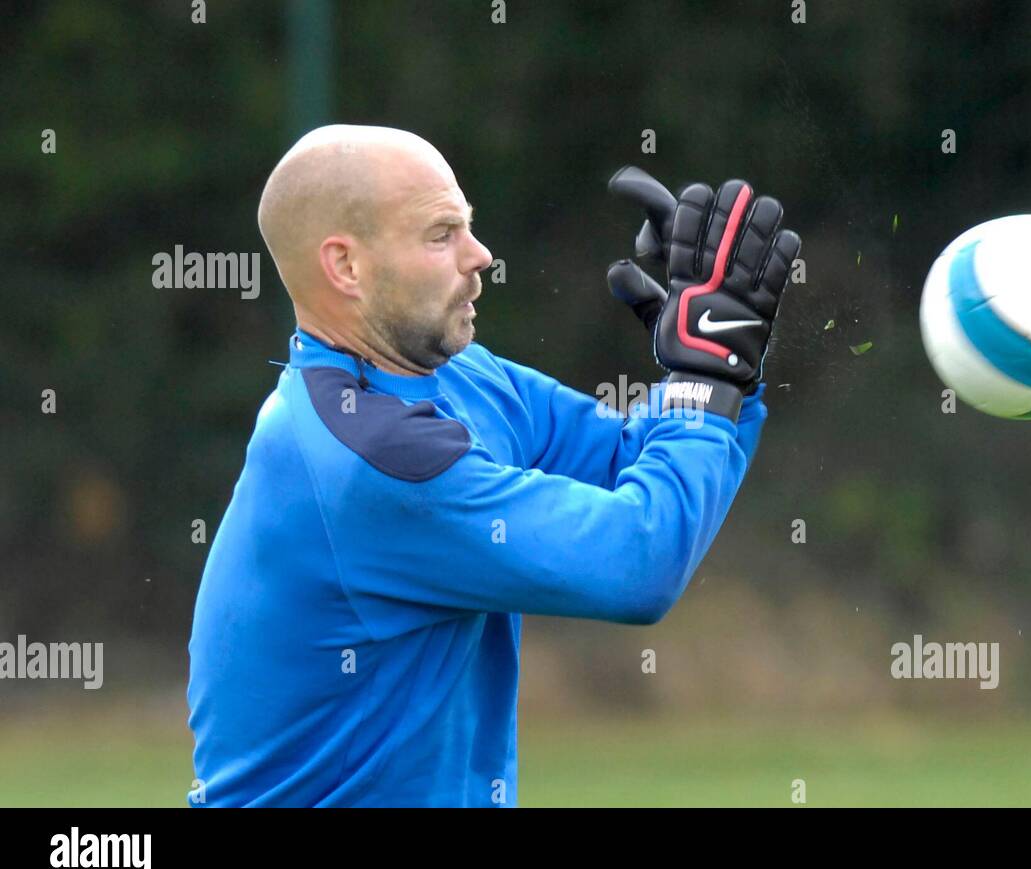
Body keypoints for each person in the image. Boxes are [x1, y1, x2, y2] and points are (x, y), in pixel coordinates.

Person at [186, 124, 800, 807]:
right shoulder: (368, 458)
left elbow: (626, 461)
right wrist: (705, 368)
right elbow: (639, 559)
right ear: (346, 267)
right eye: (441, 234)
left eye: (468, 226)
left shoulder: (456, 376)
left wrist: (723, 364)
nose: (480, 255)